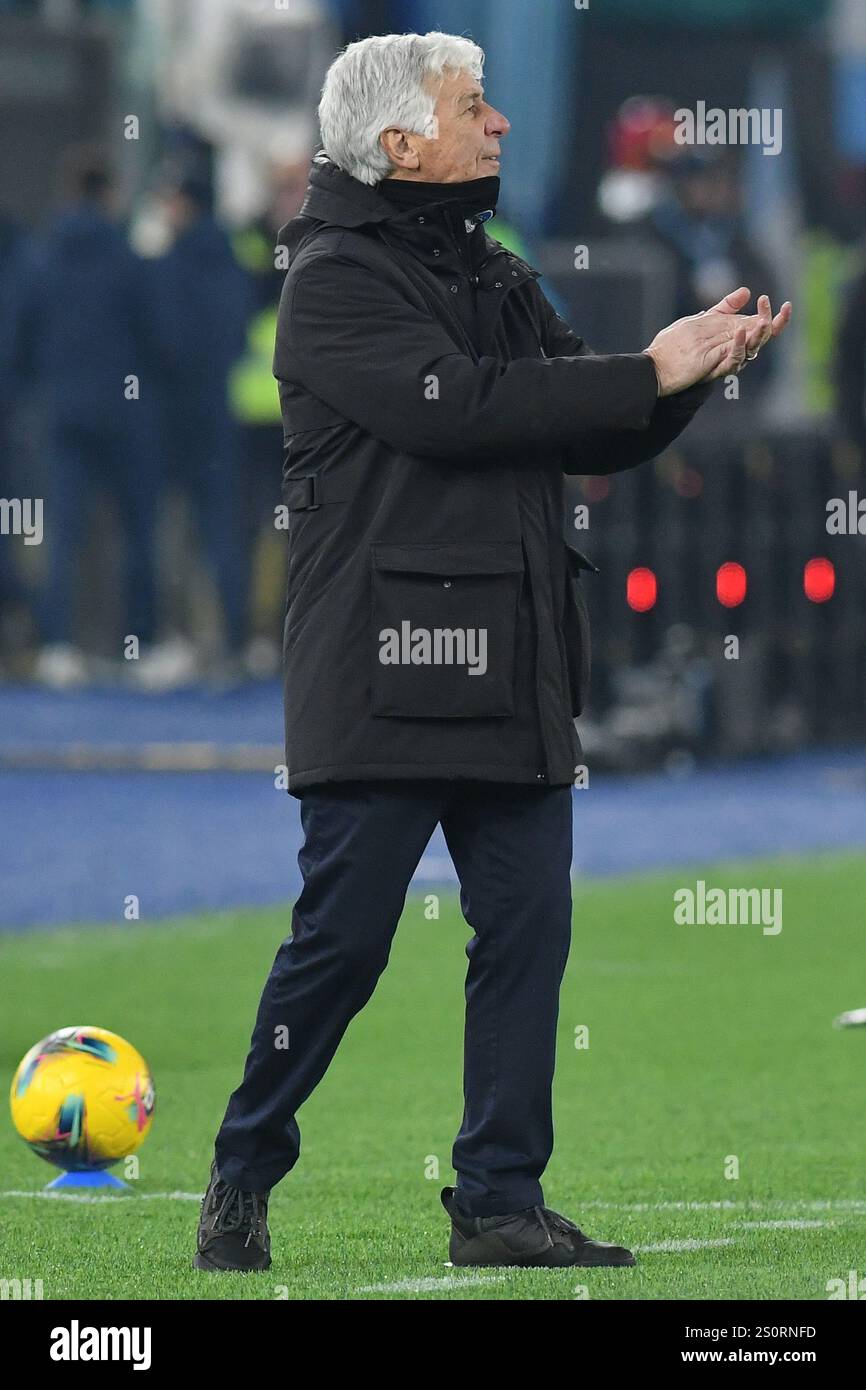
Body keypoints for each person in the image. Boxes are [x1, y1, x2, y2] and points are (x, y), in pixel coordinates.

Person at [194, 30, 790, 1274]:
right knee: (343, 942)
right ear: (398, 142)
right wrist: (643, 369)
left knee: (526, 932)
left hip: (514, 657)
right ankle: (244, 1163)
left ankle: (497, 1202)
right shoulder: (332, 277)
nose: (502, 125)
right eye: (475, 107)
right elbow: (459, 409)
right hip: (383, 662)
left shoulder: (493, 269)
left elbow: (585, 416)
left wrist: (679, 375)